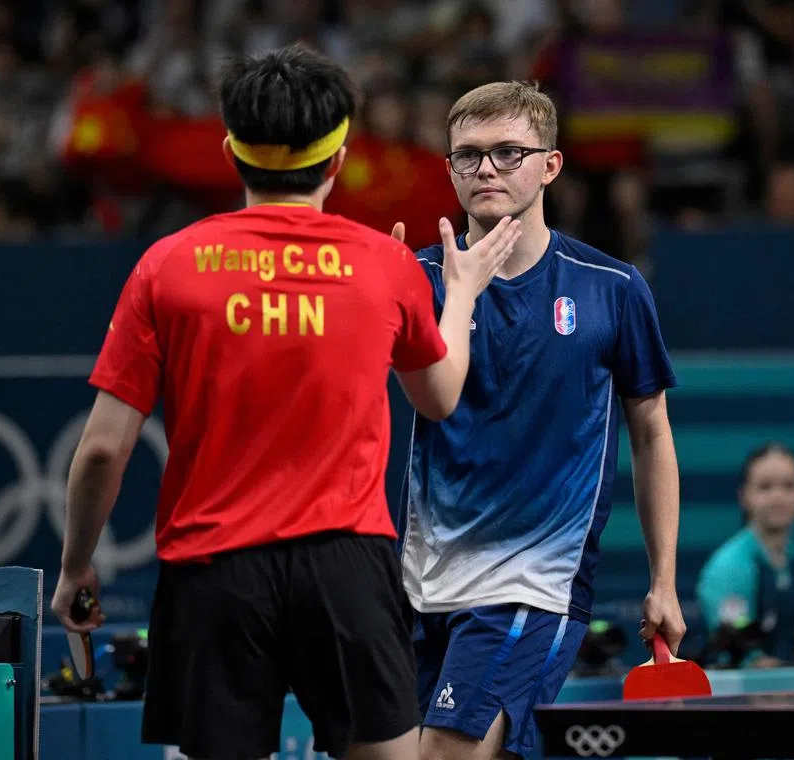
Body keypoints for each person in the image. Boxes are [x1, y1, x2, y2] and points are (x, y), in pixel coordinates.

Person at [49, 43, 521, 760]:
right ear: (337, 160)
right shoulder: (384, 262)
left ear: (231, 151)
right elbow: (440, 398)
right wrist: (458, 295)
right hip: (347, 567)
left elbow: (105, 448)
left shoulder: (167, 265)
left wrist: (77, 563)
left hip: (213, 574)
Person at [393, 81, 685, 760]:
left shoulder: (610, 287)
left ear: (550, 165)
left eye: (507, 152)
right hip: (416, 582)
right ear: (449, 169)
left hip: (534, 580)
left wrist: (663, 579)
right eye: (468, 156)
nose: (486, 169)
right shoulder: (414, 278)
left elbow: (651, 432)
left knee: (445, 753)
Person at [695, 442, 794, 668]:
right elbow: (734, 652)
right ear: (744, 496)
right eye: (765, 487)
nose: (778, 497)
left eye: (789, 486)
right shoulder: (728, 566)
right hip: (735, 698)